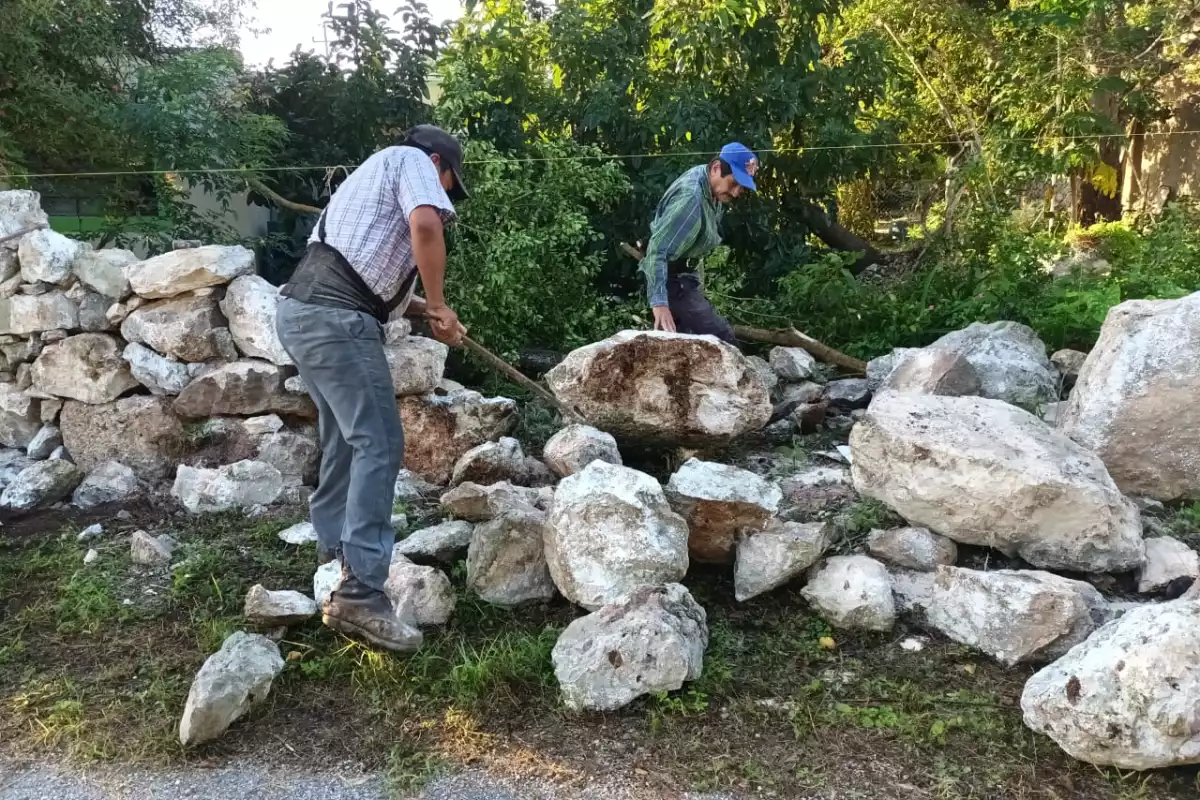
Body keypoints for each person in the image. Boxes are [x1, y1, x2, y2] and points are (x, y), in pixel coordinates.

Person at [275, 124, 468, 653]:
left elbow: (366, 276)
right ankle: (361, 591)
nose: (445, 194)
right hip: (337, 320)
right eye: (450, 183)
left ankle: (334, 550)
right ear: (437, 163)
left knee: (344, 436)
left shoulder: (366, 179)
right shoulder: (411, 161)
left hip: (302, 313)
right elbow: (426, 225)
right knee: (380, 443)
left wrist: (432, 312)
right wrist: (441, 297)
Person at [639, 142, 758, 344]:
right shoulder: (691, 200)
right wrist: (659, 303)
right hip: (672, 280)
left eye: (742, 188)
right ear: (716, 168)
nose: (736, 192)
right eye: (733, 183)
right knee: (722, 338)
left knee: (684, 342)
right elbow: (657, 251)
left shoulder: (709, 185)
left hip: (686, 277)